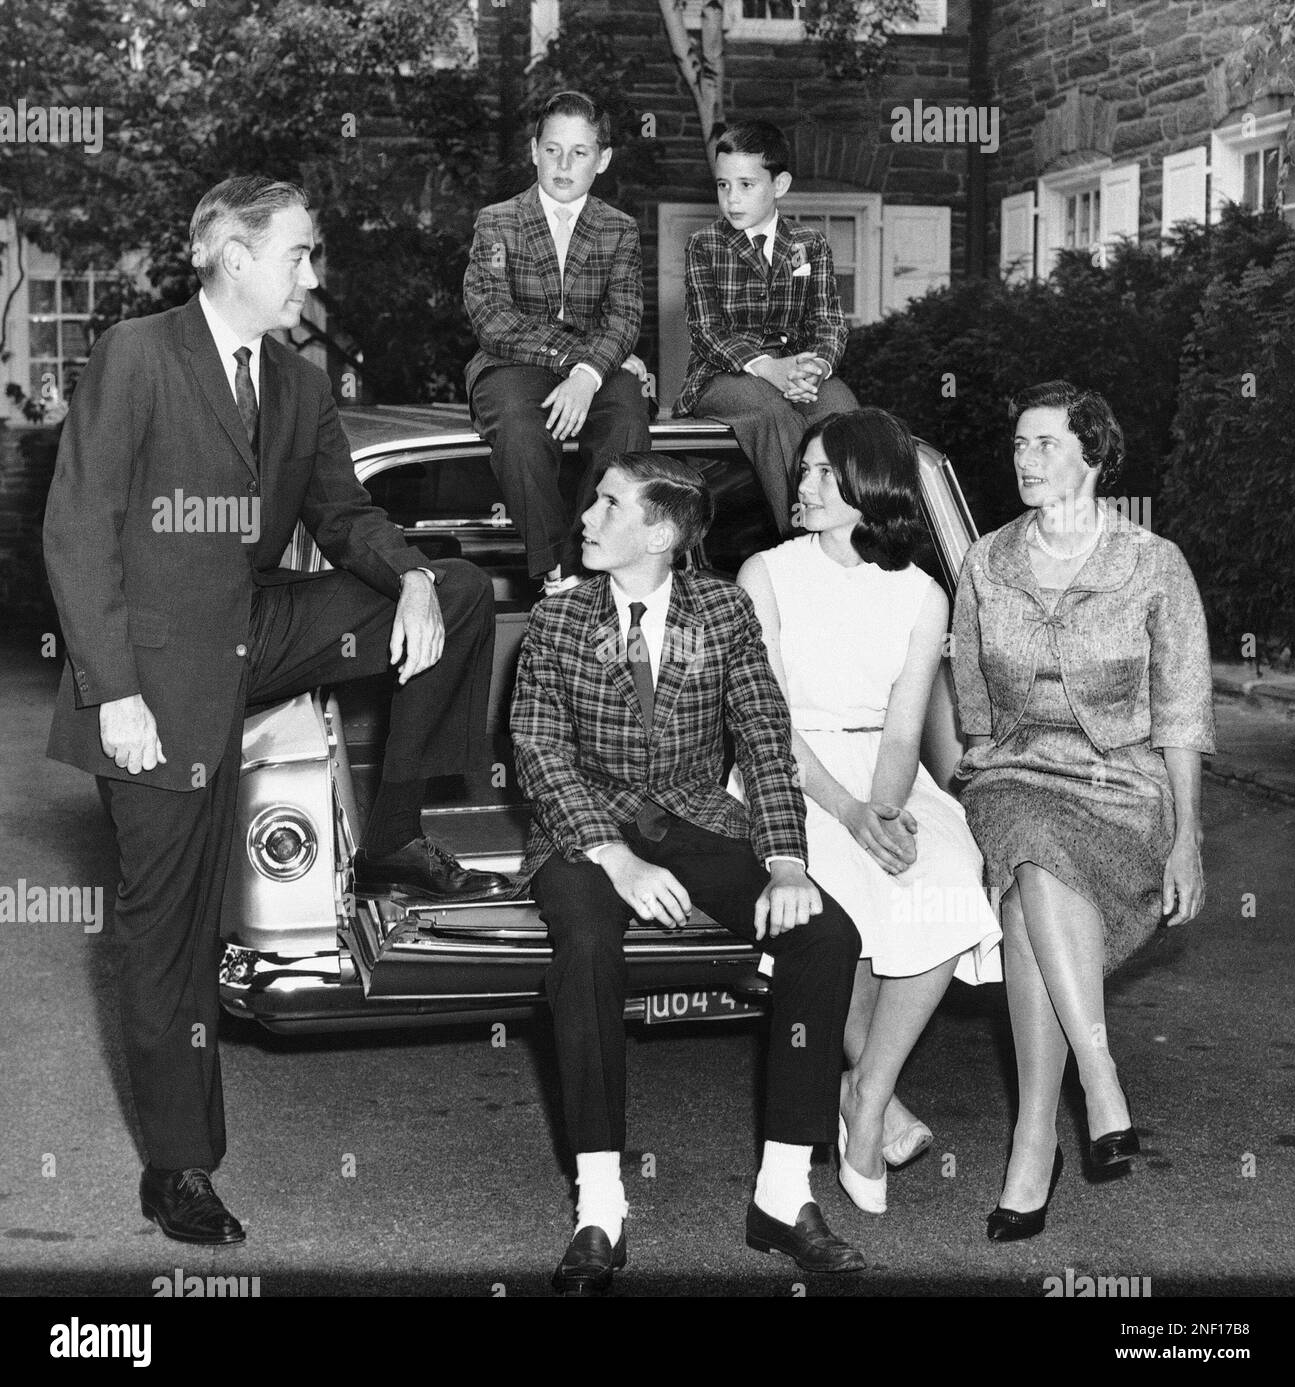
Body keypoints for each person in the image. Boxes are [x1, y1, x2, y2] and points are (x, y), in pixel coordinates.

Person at [43, 175, 511, 1247]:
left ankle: (392, 832)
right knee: (172, 935)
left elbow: (343, 515)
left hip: (256, 631)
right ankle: (180, 1168)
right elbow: (77, 532)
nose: (314, 274)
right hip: (155, 686)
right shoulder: (138, 352)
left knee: (457, 589)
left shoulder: (298, 383)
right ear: (232, 254)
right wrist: (112, 693)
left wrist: (411, 579)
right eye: (301, 253)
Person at [511, 452, 865, 1294]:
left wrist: (784, 861)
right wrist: (616, 857)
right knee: (589, 942)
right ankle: (601, 1205)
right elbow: (536, 751)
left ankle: (784, 1191)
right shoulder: (559, 620)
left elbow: (764, 736)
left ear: (663, 532)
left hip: (694, 815)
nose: (587, 517)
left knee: (826, 934)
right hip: (583, 831)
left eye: (607, 503)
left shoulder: (723, 608)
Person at [951, 380, 1214, 1241]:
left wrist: (1187, 836)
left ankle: (1036, 1137)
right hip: (1015, 772)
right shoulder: (986, 560)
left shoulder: (1153, 563)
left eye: (1046, 444)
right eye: (1018, 444)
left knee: (1034, 900)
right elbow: (972, 704)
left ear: (1094, 457)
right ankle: (1099, 1074)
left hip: (1123, 784)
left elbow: (1180, 711)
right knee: (1028, 837)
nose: (1025, 459)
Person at [736, 409, 1002, 1216]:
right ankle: (871, 1110)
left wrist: (884, 811)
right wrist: (852, 814)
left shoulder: (922, 593)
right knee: (843, 893)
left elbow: (903, 722)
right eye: (805, 470)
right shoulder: (765, 572)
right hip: (788, 776)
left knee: (948, 877)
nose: (804, 485)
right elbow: (767, 721)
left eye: (824, 473)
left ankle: (868, 1099)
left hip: (883, 774)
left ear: (869, 487)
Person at [464, 90, 652, 596]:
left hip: (598, 369)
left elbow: (626, 314)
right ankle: (556, 571)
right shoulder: (497, 221)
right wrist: (580, 363)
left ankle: (595, 561)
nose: (563, 165)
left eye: (580, 153)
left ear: (603, 160)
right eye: (552, 150)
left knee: (629, 419)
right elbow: (491, 319)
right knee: (522, 430)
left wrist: (590, 377)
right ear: (533, 151)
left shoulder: (620, 229)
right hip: (510, 365)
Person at [675, 120, 857, 534]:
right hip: (723, 376)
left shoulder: (810, 244)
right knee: (770, 413)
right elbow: (707, 331)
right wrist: (768, 368)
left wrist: (816, 368)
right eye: (723, 186)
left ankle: (858, 534)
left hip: (796, 370)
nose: (732, 199)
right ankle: (804, 535)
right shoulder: (705, 244)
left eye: (746, 185)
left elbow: (828, 322)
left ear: (780, 184)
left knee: (842, 412)